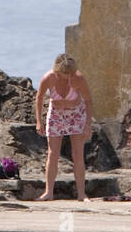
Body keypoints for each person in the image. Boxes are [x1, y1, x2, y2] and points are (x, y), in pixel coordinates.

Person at [34, 53, 93, 201]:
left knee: (77, 153)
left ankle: (81, 194)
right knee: (52, 153)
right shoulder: (49, 78)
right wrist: (39, 121)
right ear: (57, 70)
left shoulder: (78, 79)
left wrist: (88, 125)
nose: (68, 77)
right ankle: (48, 192)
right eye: (64, 73)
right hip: (56, 115)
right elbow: (39, 97)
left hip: (76, 114)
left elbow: (88, 100)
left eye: (70, 73)